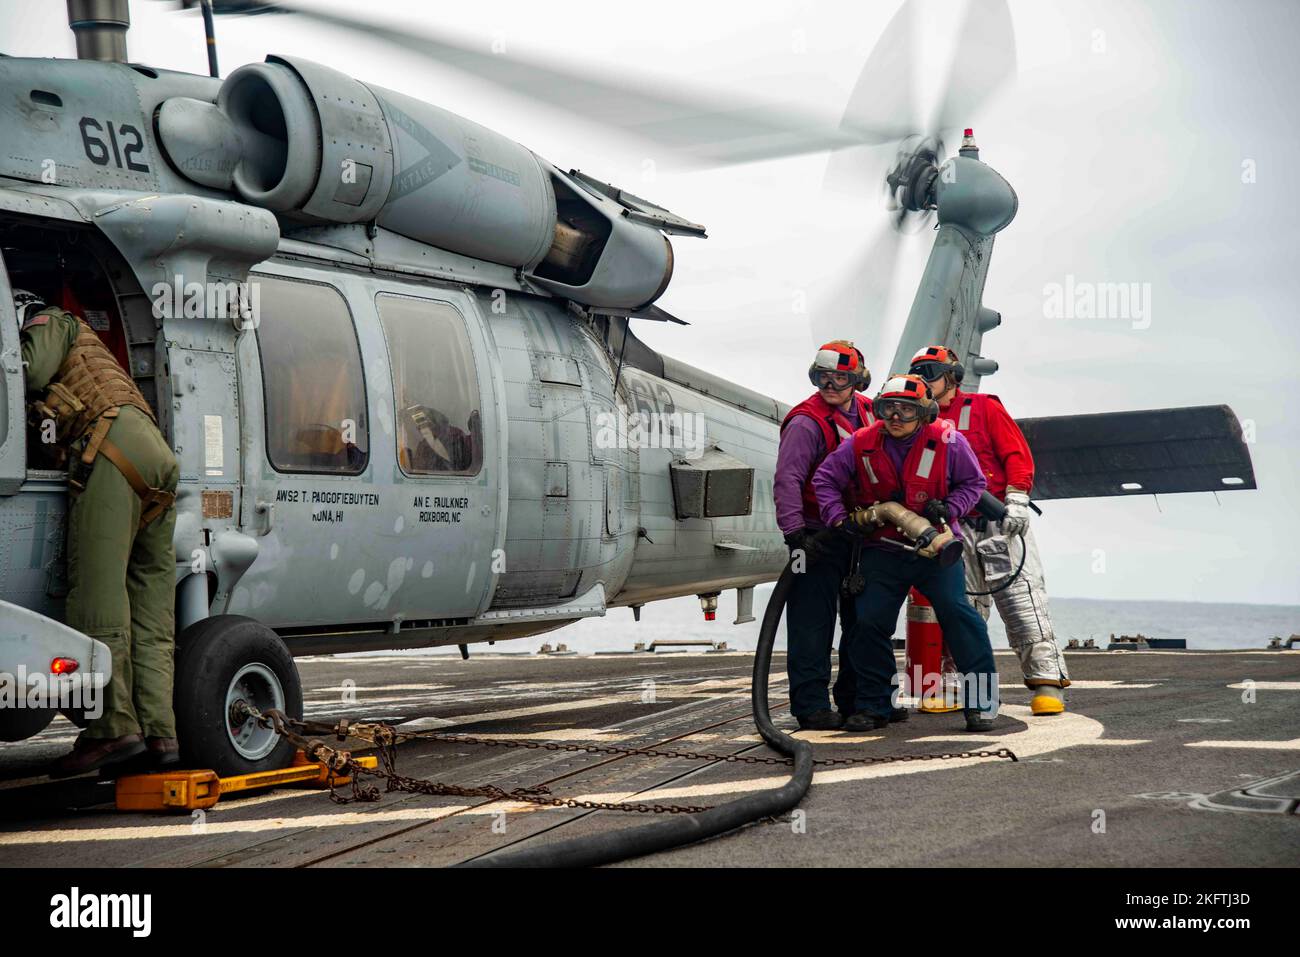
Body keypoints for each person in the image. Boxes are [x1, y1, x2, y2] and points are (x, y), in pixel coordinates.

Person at [16, 290, 181, 776]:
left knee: (96, 595)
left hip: (109, 452)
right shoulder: (93, 348)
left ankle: (111, 731)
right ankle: (160, 734)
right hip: (154, 456)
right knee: (150, 613)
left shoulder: (51, 321)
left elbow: (25, 372)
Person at [813, 374, 1000, 732]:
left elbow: (974, 483)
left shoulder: (949, 440)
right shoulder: (860, 443)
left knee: (958, 614)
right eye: (888, 408)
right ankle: (874, 705)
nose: (895, 417)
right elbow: (825, 479)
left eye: (906, 409)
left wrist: (950, 507)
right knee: (868, 622)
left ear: (925, 412)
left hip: (936, 548)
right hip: (881, 549)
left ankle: (983, 703)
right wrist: (839, 521)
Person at [909, 346, 1070, 715]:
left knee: (1022, 601)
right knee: (958, 607)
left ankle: (1046, 682)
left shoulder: (984, 408)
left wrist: (1016, 498)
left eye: (930, 372)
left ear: (951, 376)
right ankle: (955, 685)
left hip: (999, 522)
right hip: (952, 526)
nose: (924, 380)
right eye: (918, 373)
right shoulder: (917, 421)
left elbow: (1016, 453)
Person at [774, 341, 874, 729]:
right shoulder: (805, 422)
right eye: (823, 377)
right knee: (810, 622)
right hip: (813, 537)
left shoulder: (868, 412)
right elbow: (788, 479)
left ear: (857, 381)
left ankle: (857, 701)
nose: (830, 384)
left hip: (859, 534)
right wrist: (795, 536)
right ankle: (811, 706)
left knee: (863, 620)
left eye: (840, 377)